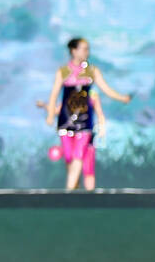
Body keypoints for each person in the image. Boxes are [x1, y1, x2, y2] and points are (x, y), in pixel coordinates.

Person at [41, 37, 132, 190]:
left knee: (78, 156)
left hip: (84, 121)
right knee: (69, 158)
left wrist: (122, 98)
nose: (86, 52)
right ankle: (74, 189)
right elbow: (54, 94)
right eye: (83, 48)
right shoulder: (63, 71)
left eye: (88, 49)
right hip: (66, 120)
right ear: (73, 50)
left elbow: (106, 89)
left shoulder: (92, 71)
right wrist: (50, 114)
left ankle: (68, 193)